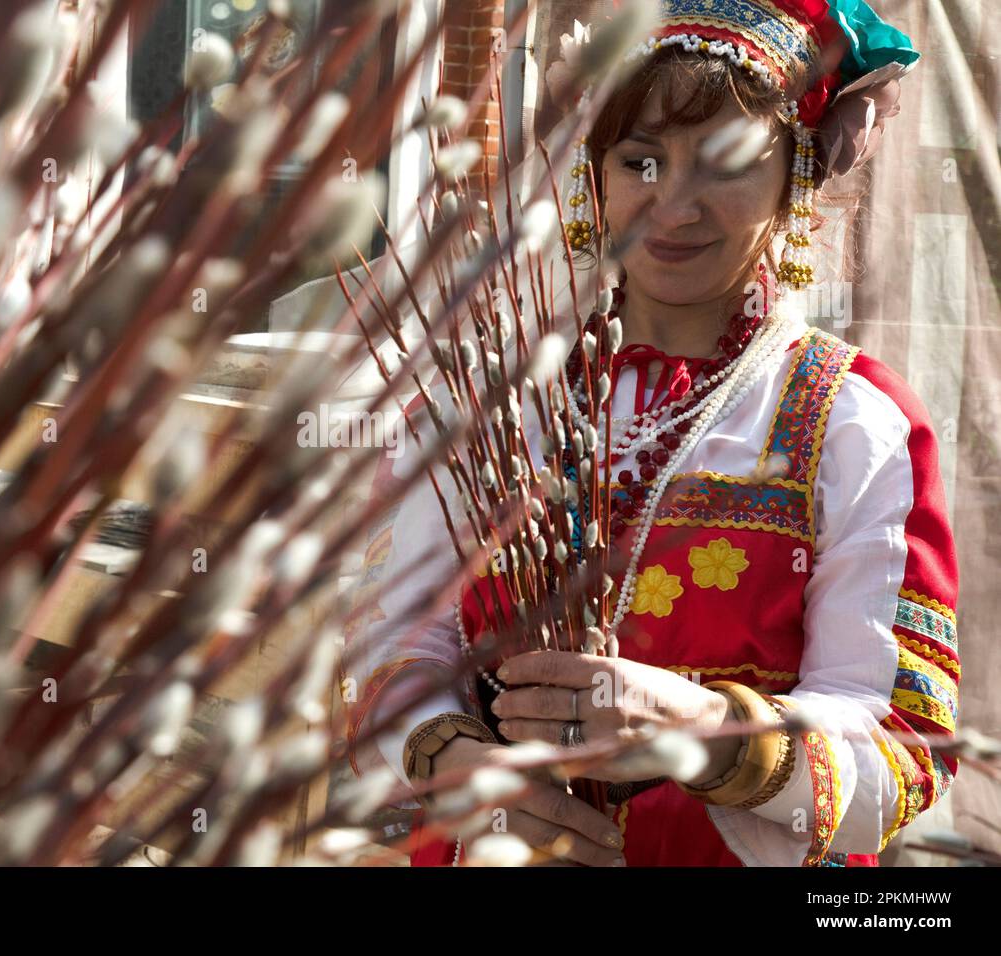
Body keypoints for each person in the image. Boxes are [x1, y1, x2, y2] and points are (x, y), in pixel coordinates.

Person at [341, 0, 958, 867]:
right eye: (641, 160)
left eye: (727, 164)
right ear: (597, 179)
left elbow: (902, 754)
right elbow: (390, 642)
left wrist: (709, 733)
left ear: (797, 177)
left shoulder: (853, 420)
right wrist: (457, 762)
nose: (674, 205)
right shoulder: (487, 400)